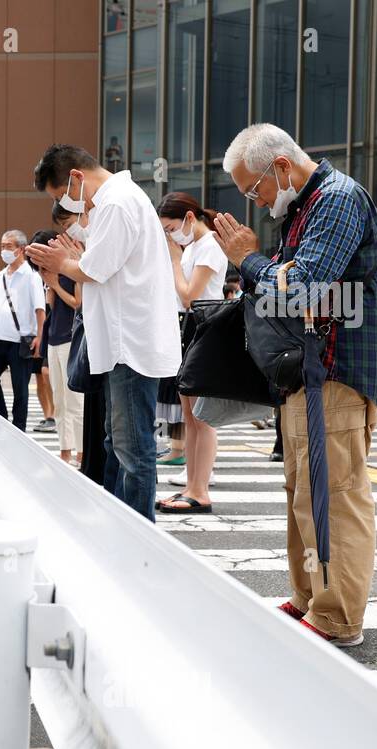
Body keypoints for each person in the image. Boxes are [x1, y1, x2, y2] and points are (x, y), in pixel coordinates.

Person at [214, 122, 377, 648]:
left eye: (254, 188)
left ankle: (336, 614)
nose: (256, 201)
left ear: (281, 166)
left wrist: (250, 259)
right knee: (305, 496)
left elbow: (302, 287)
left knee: (333, 495)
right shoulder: (304, 208)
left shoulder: (336, 200)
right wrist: (264, 268)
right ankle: (311, 594)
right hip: (306, 374)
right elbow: (287, 291)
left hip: (331, 373)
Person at [26, 144, 181, 521]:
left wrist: (61, 261)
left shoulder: (116, 203)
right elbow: (101, 265)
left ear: (77, 177)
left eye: (63, 195)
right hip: (123, 342)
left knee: (131, 451)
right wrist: (71, 257)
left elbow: (96, 269)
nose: (68, 204)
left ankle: (137, 536)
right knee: (119, 444)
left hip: (130, 343)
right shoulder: (119, 200)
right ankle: (122, 528)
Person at [156, 192, 228, 516]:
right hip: (189, 329)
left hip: (204, 326)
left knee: (202, 417)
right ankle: (191, 486)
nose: (171, 236)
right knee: (190, 416)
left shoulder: (209, 246)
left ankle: (200, 490)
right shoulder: (195, 247)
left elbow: (189, 296)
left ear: (188, 217)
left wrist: (173, 260)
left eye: (171, 228)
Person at [0, 230, 46, 431]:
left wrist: (39, 336)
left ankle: (18, 428)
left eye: (8, 247)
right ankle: (1, 418)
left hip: (22, 340)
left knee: (20, 388)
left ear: (21, 249)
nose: (4, 251)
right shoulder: (0, 276)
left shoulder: (32, 277)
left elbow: (40, 309)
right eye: (2, 246)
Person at [40, 205, 85, 465]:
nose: (66, 231)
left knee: (74, 400)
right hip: (55, 334)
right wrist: (50, 283)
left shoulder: (78, 259)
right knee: (59, 399)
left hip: (71, 335)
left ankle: (80, 452)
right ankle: (64, 451)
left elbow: (78, 302)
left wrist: (57, 282)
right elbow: (52, 305)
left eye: (69, 225)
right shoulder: (62, 260)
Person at [26, 230, 58, 434]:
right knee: (40, 375)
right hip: (43, 330)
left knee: (46, 373)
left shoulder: (56, 272)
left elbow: (43, 309)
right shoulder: (36, 275)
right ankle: (49, 415)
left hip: (50, 328)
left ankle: (54, 414)